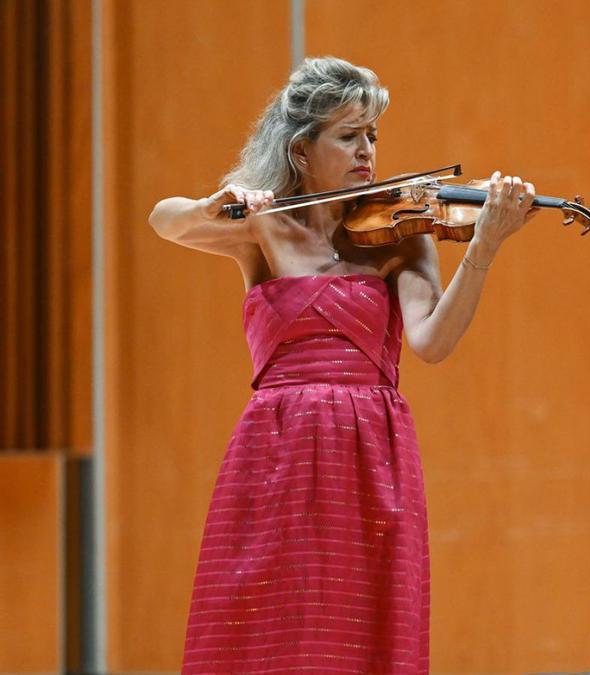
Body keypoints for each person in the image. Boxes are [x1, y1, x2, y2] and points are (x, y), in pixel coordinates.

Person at [149, 56, 536, 674]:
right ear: (302, 150)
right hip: (275, 449)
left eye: (373, 136)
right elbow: (164, 221)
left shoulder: (400, 234)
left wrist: (484, 247)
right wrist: (215, 205)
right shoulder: (263, 230)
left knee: (360, 622)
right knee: (268, 617)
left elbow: (432, 343)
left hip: (371, 450)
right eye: (349, 135)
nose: (367, 153)